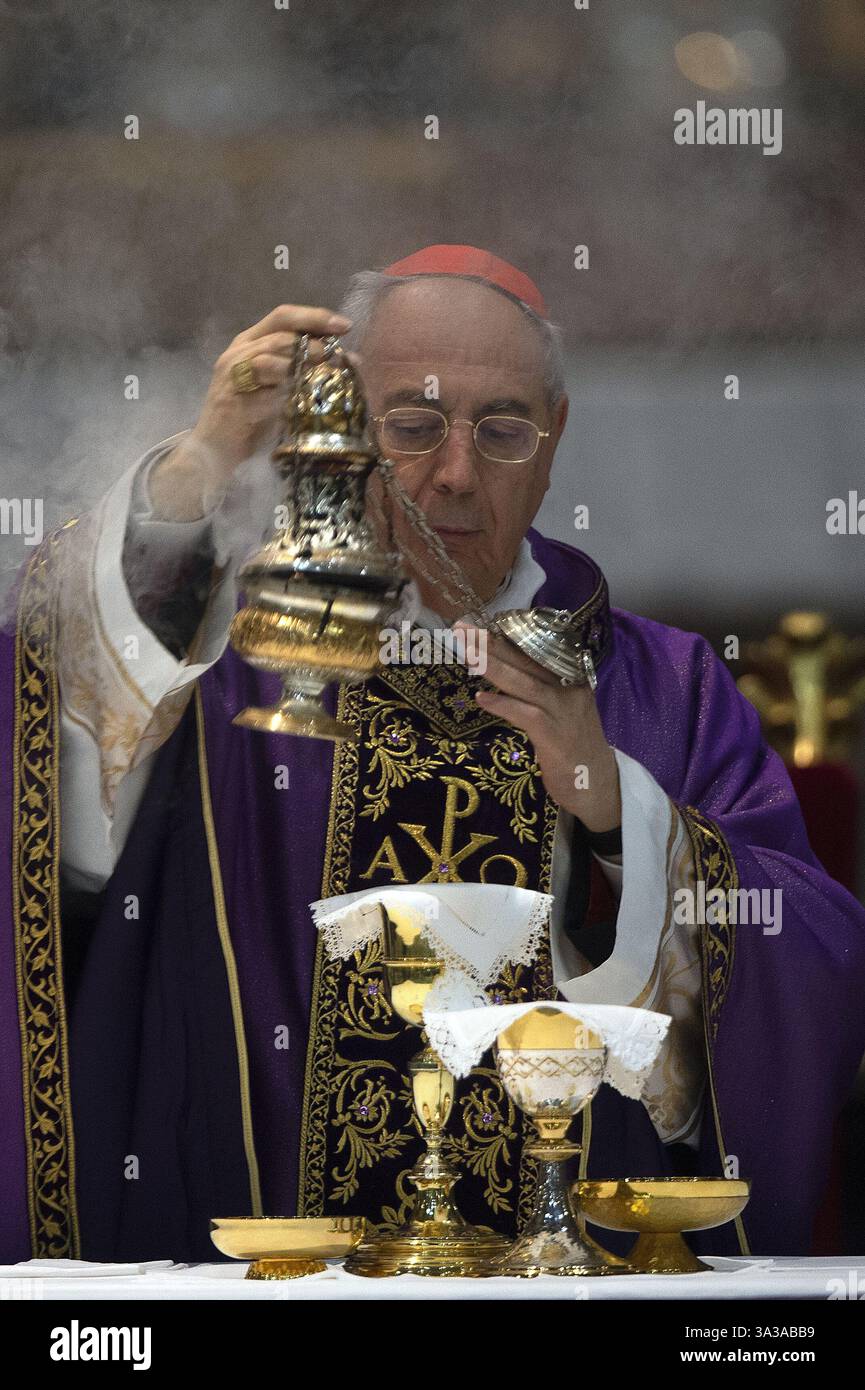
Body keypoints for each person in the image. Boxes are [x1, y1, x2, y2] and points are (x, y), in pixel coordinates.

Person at [2, 245, 863, 1264]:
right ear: (344, 436)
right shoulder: (234, 668)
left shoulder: (660, 687)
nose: (454, 473)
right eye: (410, 427)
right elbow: (57, 765)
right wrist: (198, 464)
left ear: (555, 441)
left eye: (501, 430)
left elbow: (806, 954)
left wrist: (611, 808)